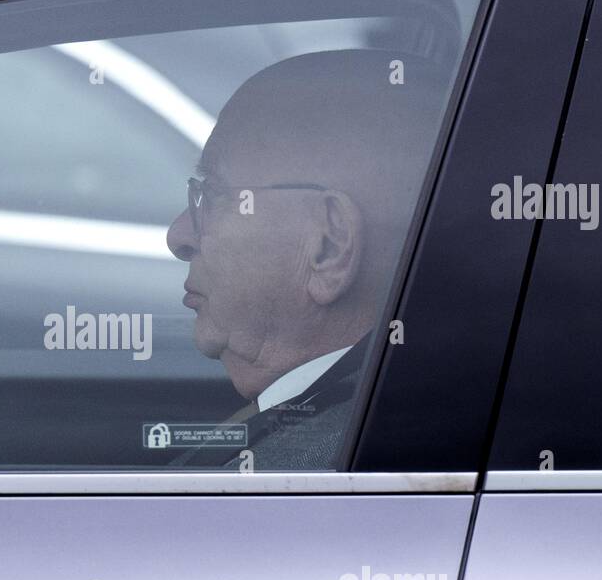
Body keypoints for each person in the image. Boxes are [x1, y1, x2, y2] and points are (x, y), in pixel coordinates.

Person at [165, 49, 447, 469]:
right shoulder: (366, 420)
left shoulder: (304, 473)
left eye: (217, 196)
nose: (179, 236)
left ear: (329, 247)